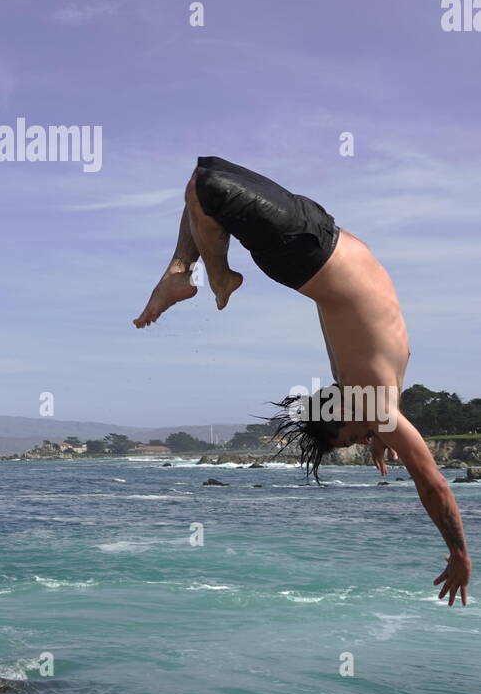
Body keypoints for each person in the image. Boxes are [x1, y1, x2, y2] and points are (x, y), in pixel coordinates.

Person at [133, 155, 471, 606]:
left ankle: (209, 276)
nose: (361, 436)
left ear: (342, 414)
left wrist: (459, 552)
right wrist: (377, 437)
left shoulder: (367, 397)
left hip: (309, 247)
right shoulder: (375, 392)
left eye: (351, 437)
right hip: (313, 243)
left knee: (205, 183)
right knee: (203, 183)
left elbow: (432, 482)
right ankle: (190, 275)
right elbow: (398, 442)